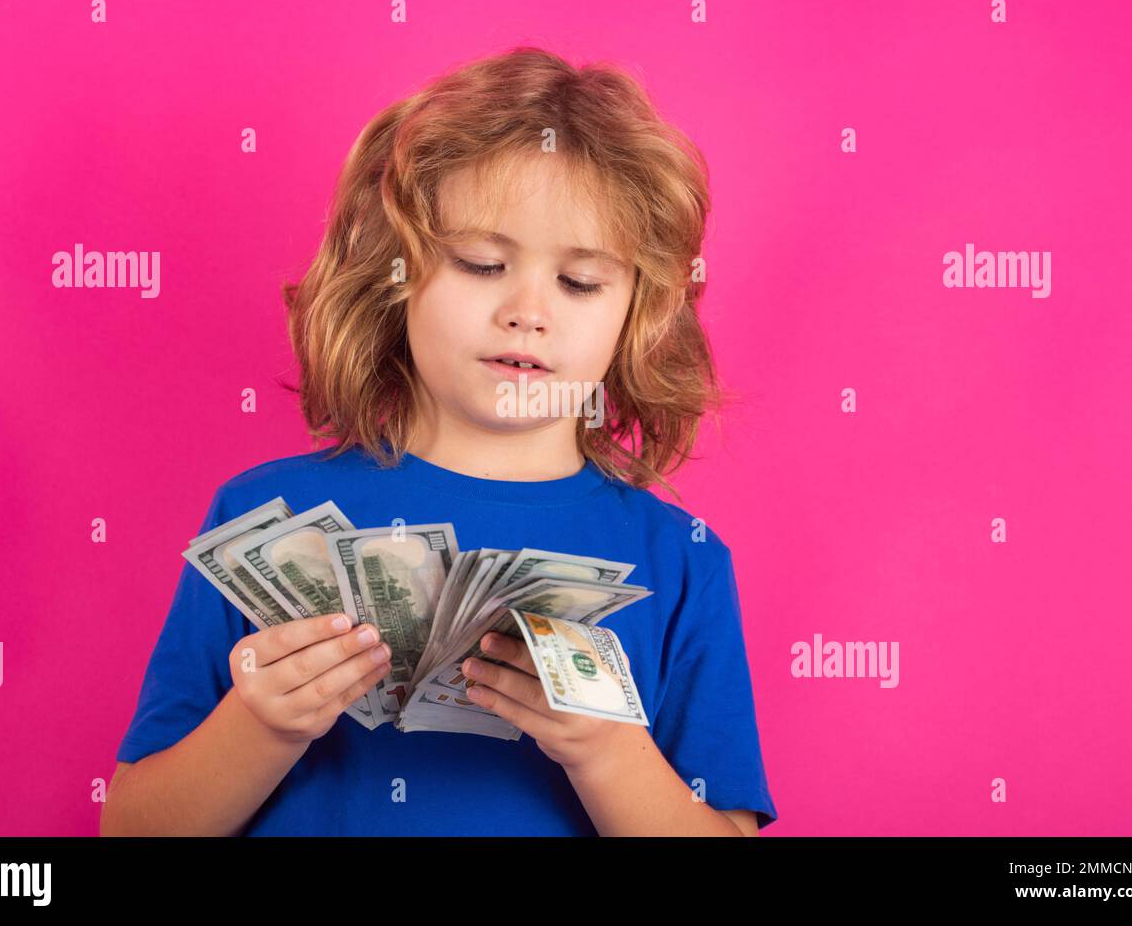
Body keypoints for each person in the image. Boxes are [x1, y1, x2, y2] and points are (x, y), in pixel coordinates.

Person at [100, 46, 777, 836]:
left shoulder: (684, 557)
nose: (528, 309)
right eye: (482, 263)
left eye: (580, 281)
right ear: (394, 274)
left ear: (641, 311)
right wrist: (264, 726)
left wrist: (605, 752)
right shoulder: (264, 513)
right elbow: (134, 829)